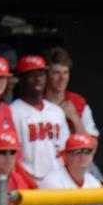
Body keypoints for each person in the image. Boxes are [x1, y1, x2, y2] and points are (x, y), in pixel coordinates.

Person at [9, 54, 70, 182]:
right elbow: (12, 156)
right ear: (22, 79)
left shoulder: (56, 111)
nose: (38, 79)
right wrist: (26, 181)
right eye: (32, 75)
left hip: (57, 181)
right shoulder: (13, 111)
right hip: (27, 180)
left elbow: (66, 150)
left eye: (41, 74)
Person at [42, 47, 98, 139]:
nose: (62, 78)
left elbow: (92, 145)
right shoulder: (37, 103)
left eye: (65, 72)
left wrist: (75, 119)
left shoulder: (78, 102)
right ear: (46, 75)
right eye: (56, 73)